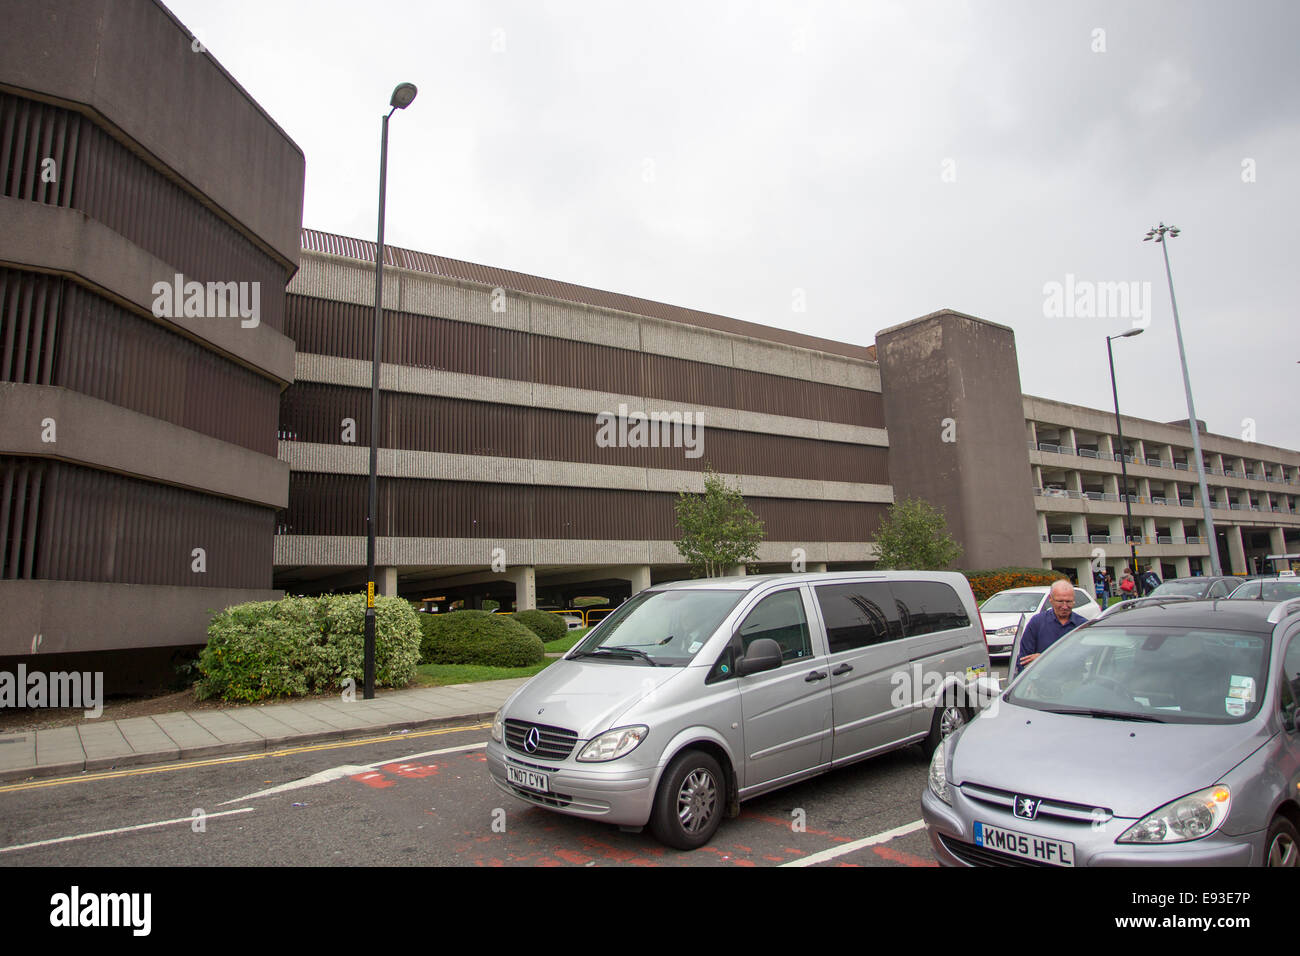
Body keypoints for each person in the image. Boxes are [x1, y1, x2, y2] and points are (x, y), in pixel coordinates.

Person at [1015, 580, 1087, 674]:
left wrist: (1043, 658)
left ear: (1074, 600)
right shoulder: (1037, 622)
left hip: (1073, 680)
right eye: (1060, 601)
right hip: (1041, 680)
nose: (1065, 606)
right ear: (1050, 599)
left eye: (1068, 601)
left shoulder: (1083, 626)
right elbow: (1023, 661)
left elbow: (1080, 659)